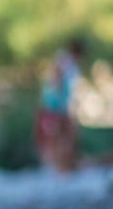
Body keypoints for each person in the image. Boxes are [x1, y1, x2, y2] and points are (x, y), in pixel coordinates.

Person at [35, 40, 84, 171]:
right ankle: (54, 166)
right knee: (54, 136)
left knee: (64, 135)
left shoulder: (71, 65)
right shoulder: (64, 61)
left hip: (60, 106)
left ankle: (63, 165)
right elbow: (56, 80)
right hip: (54, 106)